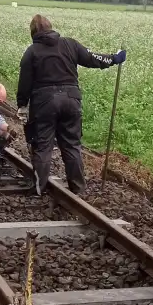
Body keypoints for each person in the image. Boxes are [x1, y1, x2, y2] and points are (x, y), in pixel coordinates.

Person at [16, 14, 126, 195]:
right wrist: (115, 58)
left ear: (33, 32)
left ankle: (38, 189)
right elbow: (93, 58)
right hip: (71, 100)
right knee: (72, 145)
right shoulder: (69, 44)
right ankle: (78, 190)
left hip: (44, 102)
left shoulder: (32, 51)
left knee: (43, 146)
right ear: (51, 27)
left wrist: (22, 104)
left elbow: (25, 82)